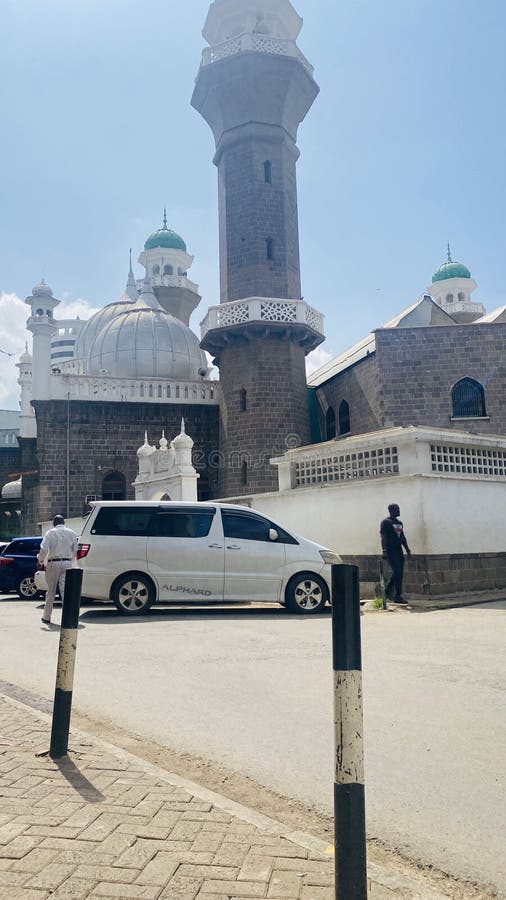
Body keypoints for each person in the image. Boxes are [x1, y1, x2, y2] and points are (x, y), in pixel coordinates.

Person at [37, 515, 78, 625]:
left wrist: (41, 560)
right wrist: (71, 561)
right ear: (64, 522)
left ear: (54, 523)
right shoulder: (72, 533)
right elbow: (75, 550)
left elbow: (44, 549)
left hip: (53, 563)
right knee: (65, 591)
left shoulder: (50, 533)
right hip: (67, 562)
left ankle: (46, 616)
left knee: (51, 591)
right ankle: (69, 617)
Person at [380, 503, 411, 605]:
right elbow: (383, 537)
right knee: (397, 571)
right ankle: (397, 595)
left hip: (399, 550)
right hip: (390, 550)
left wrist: (407, 549)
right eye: (397, 509)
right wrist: (384, 550)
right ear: (391, 510)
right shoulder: (386, 522)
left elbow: (402, 537)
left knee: (399, 573)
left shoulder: (399, 523)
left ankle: (389, 590)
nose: (399, 511)